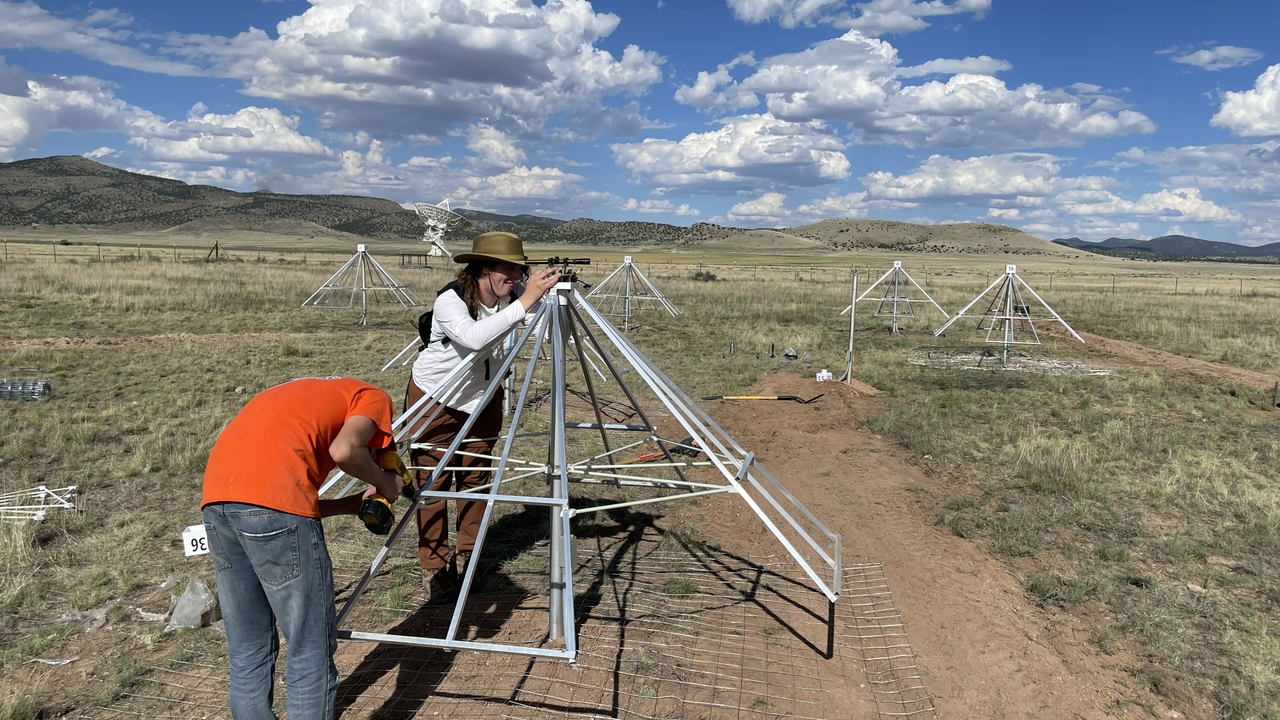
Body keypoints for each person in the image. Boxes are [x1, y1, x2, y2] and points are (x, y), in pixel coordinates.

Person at [201, 377, 405, 720]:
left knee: (248, 647)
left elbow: (270, 507)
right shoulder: (371, 396)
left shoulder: (297, 393)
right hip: (271, 503)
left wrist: (351, 504)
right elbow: (345, 451)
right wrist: (385, 481)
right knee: (308, 649)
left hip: (219, 501)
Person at [406, 232, 561, 598]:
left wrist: (554, 302)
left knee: (475, 478)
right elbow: (474, 338)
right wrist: (526, 300)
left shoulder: (513, 295)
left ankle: (469, 557)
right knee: (433, 482)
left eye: (520, 268)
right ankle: (435, 568)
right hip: (436, 398)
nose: (516, 275)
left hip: (483, 398)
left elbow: (550, 333)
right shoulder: (451, 300)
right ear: (484, 268)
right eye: (509, 268)